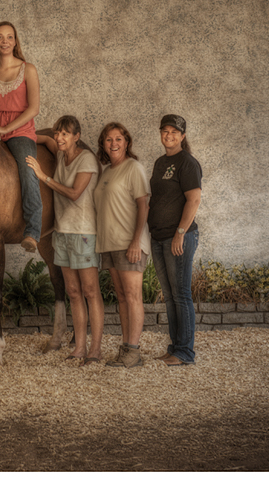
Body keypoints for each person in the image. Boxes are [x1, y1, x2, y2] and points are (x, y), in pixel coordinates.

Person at [25, 116, 102, 363]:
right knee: (74, 292)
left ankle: (95, 349)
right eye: (58, 133)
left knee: (90, 291)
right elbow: (43, 138)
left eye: (65, 134)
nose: (59, 138)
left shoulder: (86, 159)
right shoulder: (60, 155)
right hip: (62, 233)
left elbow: (75, 193)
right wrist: (10, 133)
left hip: (84, 233)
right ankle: (79, 348)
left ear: (76, 136)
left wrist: (43, 176)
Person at [0, 21, 43, 252]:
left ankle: (32, 231)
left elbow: (33, 108)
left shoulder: (28, 69)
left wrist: (6, 129)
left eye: (9, 37)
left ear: (15, 42)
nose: (5, 41)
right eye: (0, 37)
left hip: (20, 130)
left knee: (27, 169)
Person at [92, 122, 151, 368]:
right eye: (109, 139)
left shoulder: (133, 168)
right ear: (103, 144)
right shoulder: (106, 172)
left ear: (126, 143)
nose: (113, 143)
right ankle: (126, 349)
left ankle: (134, 351)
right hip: (110, 243)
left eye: (118, 139)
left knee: (133, 297)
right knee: (123, 298)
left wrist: (136, 241)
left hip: (129, 243)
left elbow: (143, 205)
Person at [147, 114, 202, 367]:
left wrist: (180, 232)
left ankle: (185, 352)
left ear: (182, 136)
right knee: (169, 296)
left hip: (178, 237)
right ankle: (175, 348)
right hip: (158, 236)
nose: (169, 135)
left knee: (181, 295)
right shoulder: (160, 163)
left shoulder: (187, 163)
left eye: (174, 132)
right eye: (165, 131)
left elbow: (194, 200)